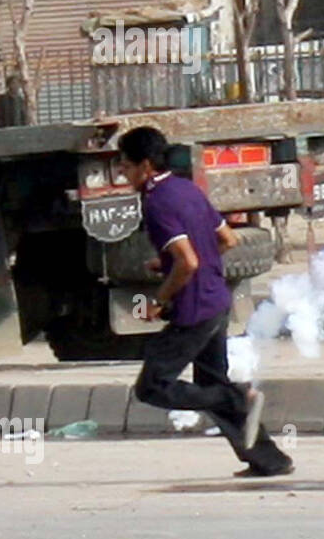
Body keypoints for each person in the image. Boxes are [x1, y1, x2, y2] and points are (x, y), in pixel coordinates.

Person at [118, 126, 293, 477]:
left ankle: (235, 397)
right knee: (213, 384)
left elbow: (189, 261)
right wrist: (166, 263)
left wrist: (159, 298)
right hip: (216, 300)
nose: (123, 173)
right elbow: (226, 239)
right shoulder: (186, 189)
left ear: (146, 166)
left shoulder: (157, 203)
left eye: (126, 165)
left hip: (194, 309)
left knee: (152, 386)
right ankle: (270, 460)